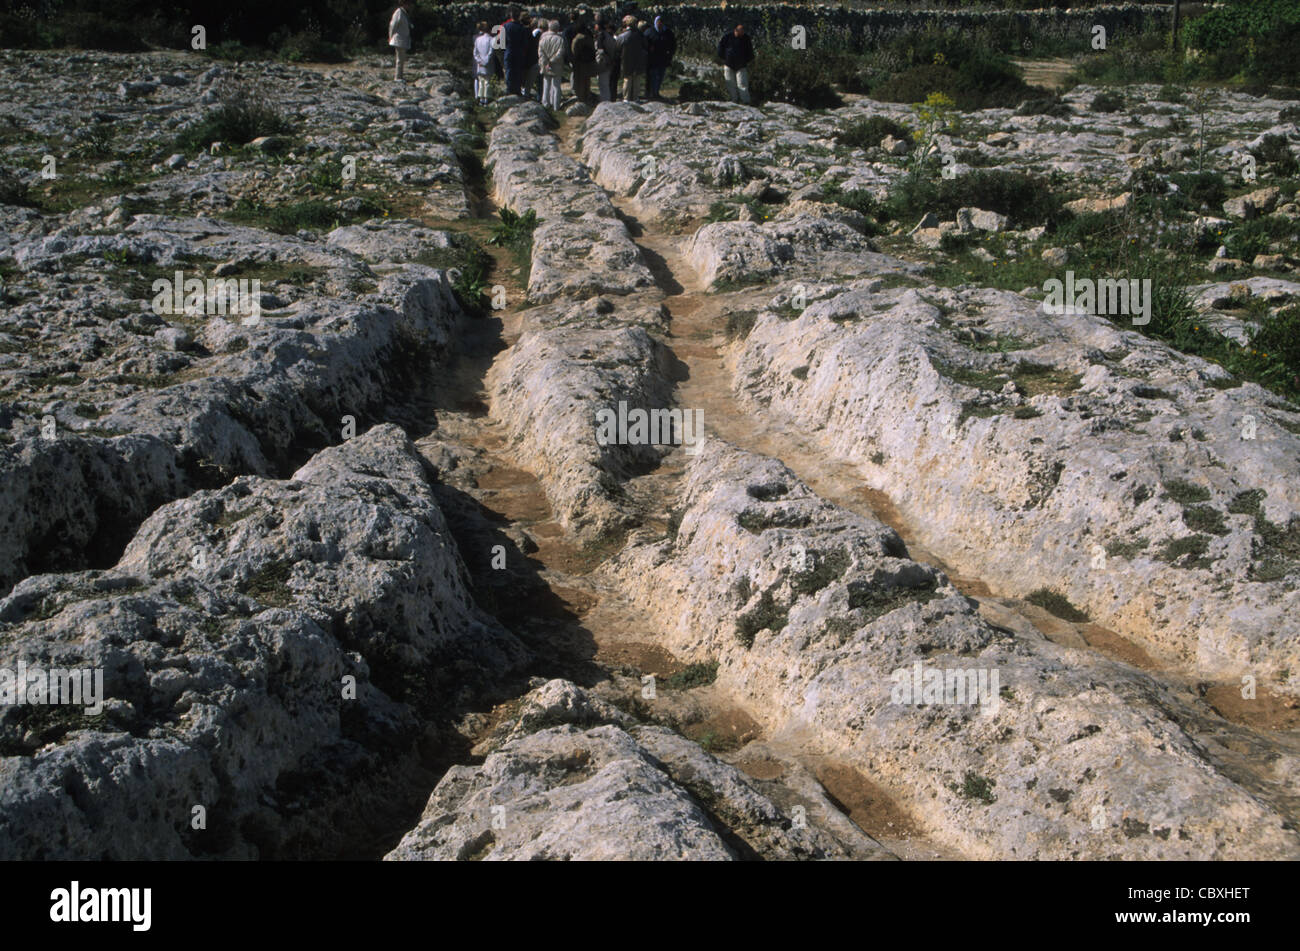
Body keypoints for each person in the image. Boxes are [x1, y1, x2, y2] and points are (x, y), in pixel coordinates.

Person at [718, 23, 754, 105]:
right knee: (730, 84)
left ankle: (745, 102)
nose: (742, 33)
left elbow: (750, 52)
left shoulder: (746, 38)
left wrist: (746, 61)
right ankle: (733, 101)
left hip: (741, 65)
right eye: (740, 31)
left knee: (742, 84)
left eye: (743, 31)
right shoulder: (727, 37)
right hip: (728, 64)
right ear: (735, 30)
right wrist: (725, 58)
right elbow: (720, 49)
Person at [616, 14, 646, 103]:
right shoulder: (641, 36)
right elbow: (645, 46)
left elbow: (617, 48)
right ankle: (635, 97)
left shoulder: (623, 36)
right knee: (637, 79)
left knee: (627, 79)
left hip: (626, 60)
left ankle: (626, 98)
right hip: (638, 59)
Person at [644, 15, 675, 101]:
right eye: (658, 23)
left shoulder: (668, 33)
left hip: (663, 59)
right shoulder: (649, 32)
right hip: (652, 60)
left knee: (660, 77)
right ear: (655, 23)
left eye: (661, 23)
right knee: (653, 77)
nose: (659, 24)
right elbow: (644, 43)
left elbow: (673, 45)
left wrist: (670, 54)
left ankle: (656, 92)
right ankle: (652, 93)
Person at [503, 6, 530, 96]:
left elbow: (502, 41)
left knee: (509, 71)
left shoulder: (506, 26)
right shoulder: (522, 27)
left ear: (511, 15)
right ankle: (517, 89)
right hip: (519, 52)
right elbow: (525, 42)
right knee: (518, 71)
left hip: (509, 50)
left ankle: (509, 89)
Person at [539, 20, 565, 110]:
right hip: (556, 64)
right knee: (556, 86)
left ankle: (545, 103)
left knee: (546, 84)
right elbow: (560, 52)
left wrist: (545, 61)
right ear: (557, 29)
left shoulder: (543, 38)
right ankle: (555, 105)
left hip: (545, 64)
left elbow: (540, 52)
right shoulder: (560, 39)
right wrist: (552, 60)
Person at [570, 21, 596, 104]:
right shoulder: (589, 38)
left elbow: (574, 51)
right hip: (588, 63)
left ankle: (581, 99)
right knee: (587, 81)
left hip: (579, 63)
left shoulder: (577, 39)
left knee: (579, 82)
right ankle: (587, 96)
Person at [388, 1, 414, 83]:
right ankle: (397, 77)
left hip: (403, 39)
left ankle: (400, 76)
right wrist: (390, 36)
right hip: (398, 39)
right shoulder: (398, 12)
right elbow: (393, 25)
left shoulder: (404, 13)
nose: (409, 6)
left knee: (402, 59)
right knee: (399, 59)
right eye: (408, 4)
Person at [594, 15, 618, 103]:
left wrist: (599, 63)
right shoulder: (608, 35)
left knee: (603, 85)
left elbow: (600, 51)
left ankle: (605, 103)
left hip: (603, 63)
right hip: (609, 62)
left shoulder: (601, 36)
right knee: (605, 84)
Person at [473, 21, 493, 105]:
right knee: (487, 82)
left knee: (481, 81)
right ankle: (486, 99)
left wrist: (479, 61)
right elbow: (491, 52)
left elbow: (475, 52)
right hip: (487, 63)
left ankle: (481, 98)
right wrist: (486, 61)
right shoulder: (491, 39)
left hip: (479, 63)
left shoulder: (478, 39)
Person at [524, 14, 542, 100]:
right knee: (538, 81)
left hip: (531, 60)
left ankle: (526, 96)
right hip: (536, 59)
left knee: (529, 81)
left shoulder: (534, 33)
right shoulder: (538, 33)